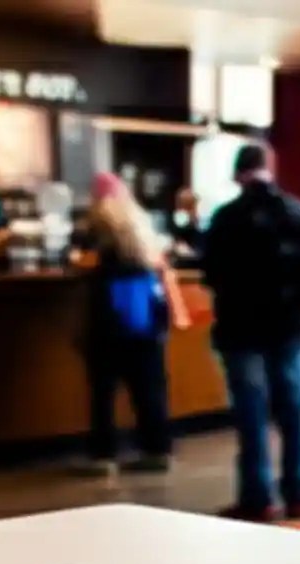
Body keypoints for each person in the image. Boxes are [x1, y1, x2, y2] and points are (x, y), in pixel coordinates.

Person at [202, 144, 300, 522]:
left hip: (241, 329)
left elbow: (211, 274)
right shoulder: (298, 212)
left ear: (239, 174)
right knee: (293, 411)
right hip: (287, 328)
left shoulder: (225, 218)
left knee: (252, 414)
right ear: (268, 168)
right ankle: (299, 492)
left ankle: (258, 498)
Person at [79, 172, 190, 475]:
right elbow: (163, 268)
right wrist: (178, 312)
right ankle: (157, 449)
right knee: (149, 385)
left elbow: (85, 261)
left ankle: (104, 455)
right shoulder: (142, 224)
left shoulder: (97, 224)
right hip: (145, 313)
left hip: (109, 316)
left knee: (104, 388)